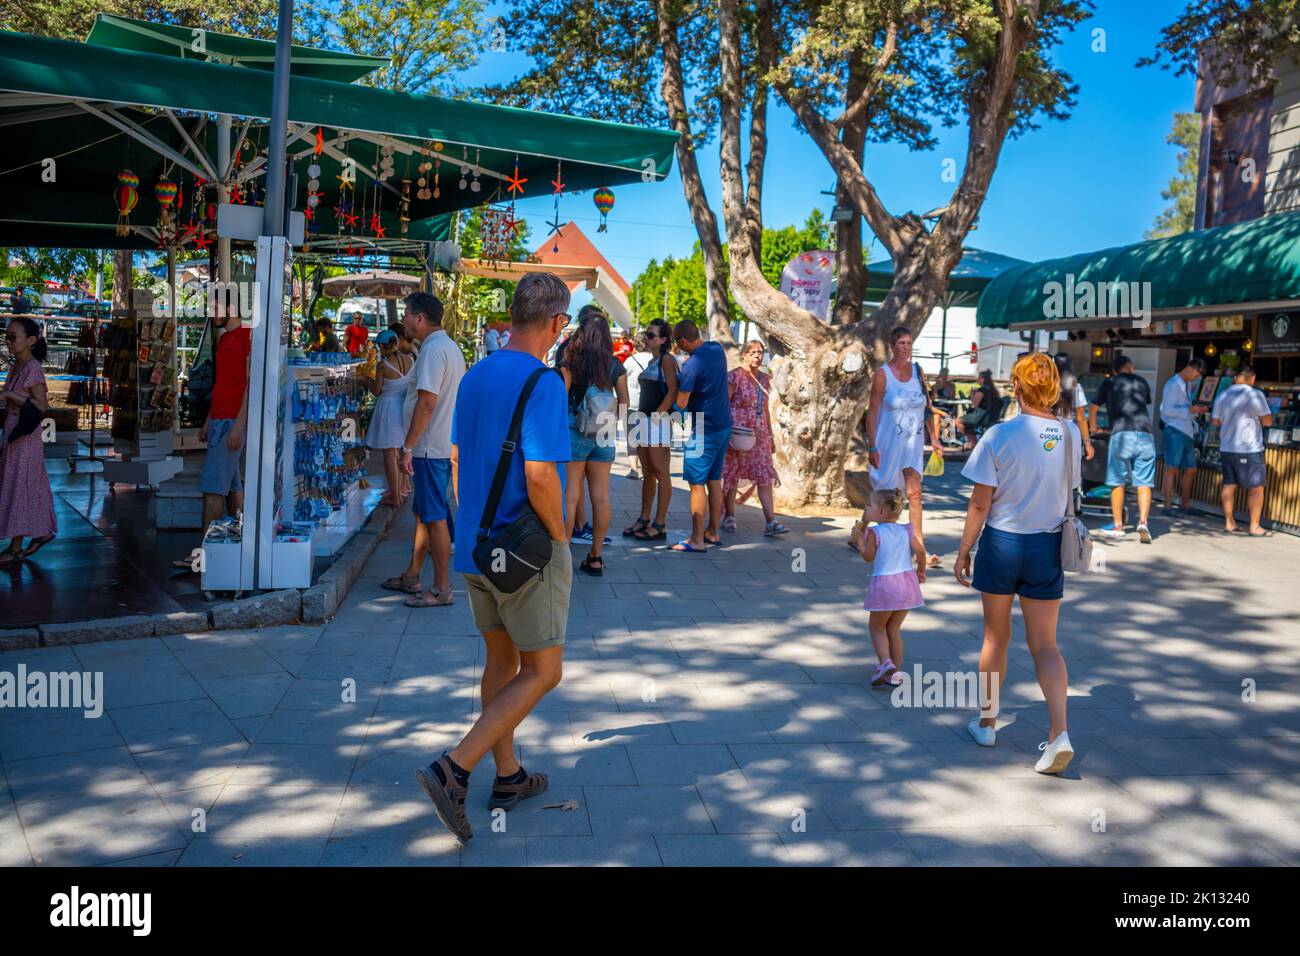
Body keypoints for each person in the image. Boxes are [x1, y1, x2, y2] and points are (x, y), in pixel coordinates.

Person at [414, 271, 573, 847]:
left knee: (500, 664)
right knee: (544, 671)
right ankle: (454, 767)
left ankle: (508, 776)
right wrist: (560, 537)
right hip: (526, 551)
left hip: (477, 548)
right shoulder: (544, 383)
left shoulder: (476, 374)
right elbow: (540, 479)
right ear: (556, 323)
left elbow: (456, 457)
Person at [956, 352, 1078, 774]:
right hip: (1047, 547)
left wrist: (963, 550)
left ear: (1018, 387)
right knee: (1046, 644)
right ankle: (1058, 732)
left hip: (1002, 543)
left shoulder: (998, 435)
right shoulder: (1070, 435)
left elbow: (979, 503)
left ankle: (988, 721)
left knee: (995, 639)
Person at [382, 292, 465, 608]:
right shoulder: (446, 347)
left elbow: (428, 402)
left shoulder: (432, 351)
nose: (403, 320)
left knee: (435, 518)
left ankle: (443, 588)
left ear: (420, 318)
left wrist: (408, 446)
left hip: (429, 447)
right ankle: (412, 575)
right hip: (437, 444)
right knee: (423, 514)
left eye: (406, 314)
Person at [176, 305, 250, 570]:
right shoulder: (223, 338)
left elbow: (249, 385)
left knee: (212, 488)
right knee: (232, 487)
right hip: (220, 418)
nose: (212, 312)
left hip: (232, 420)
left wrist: (239, 425)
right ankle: (234, 545)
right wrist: (209, 418)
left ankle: (204, 554)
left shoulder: (247, 337)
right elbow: (223, 383)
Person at [559, 310, 629, 575]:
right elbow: (624, 402)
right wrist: (611, 426)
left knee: (571, 494)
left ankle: (563, 556)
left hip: (574, 430)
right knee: (601, 496)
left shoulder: (570, 359)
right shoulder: (614, 365)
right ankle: (596, 556)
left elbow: (561, 395)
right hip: (603, 434)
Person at [866, 327, 942, 567]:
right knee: (885, 496)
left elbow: (927, 408)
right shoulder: (883, 375)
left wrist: (935, 439)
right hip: (889, 444)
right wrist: (871, 446)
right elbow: (873, 411)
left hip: (913, 444)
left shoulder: (918, 372)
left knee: (915, 495)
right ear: (892, 345)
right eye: (901, 342)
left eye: (909, 343)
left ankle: (919, 549)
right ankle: (863, 532)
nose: (906, 347)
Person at [850, 488, 925, 688]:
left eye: (869, 505)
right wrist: (921, 572)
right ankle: (895, 672)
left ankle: (885, 663)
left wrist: (858, 538)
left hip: (885, 585)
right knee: (894, 628)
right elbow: (920, 551)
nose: (866, 508)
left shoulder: (875, 532)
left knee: (876, 627)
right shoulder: (906, 530)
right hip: (907, 584)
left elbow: (868, 556)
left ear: (881, 512)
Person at [670, 320, 731, 552]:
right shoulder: (717, 349)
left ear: (683, 341)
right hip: (724, 424)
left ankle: (696, 540)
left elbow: (681, 402)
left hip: (704, 428)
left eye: (677, 342)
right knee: (714, 481)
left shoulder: (692, 364)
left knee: (696, 484)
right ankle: (712, 533)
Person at [0, 317, 56, 563]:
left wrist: (11, 395)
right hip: (15, 432)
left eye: (13, 336)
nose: (9, 341)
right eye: (7, 336)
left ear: (31, 341)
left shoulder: (32, 368)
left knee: (20, 485)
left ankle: (15, 545)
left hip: (25, 435)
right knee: (28, 484)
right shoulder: (17, 366)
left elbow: (41, 406)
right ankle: (41, 532)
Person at [721, 339, 788, 537]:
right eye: (753, 353)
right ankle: (729, 517)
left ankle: (771, 521)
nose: (757, 356)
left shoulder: (765, 379)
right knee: (732, 474)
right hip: (738, 433)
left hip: (758, 435)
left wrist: (770, 435)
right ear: (744, 354)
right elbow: (725, 403)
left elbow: (766, 409)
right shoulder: (735, 377)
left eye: (760, 352)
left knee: (764, 475)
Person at [1089, 355, 1155, 542]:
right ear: (1131, 368)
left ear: (1116, 370)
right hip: (1145, 435)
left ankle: (1118, 525)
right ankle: (1143, 522)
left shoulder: (1109, 382)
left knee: (1117, 480)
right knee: (1144, 482)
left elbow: (1094, 406)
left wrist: (1093, 427)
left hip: (1122, 434)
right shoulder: (1141, 382)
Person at [624, 319, 678, 542]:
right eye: (646, 334)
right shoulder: (653, 360)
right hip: (644, 419)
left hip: (657, 421)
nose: (646, 338)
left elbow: (673, 390)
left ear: (663, 340)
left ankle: (660, 522)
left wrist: (658, 415)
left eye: (651, 335)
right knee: (647, 471)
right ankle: (644, 518)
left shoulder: (667, 360)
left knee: (660, 471)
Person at [1213, 363, 1274, 536]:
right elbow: (1268, 421)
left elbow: (1215, 422)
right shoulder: (1255, 395)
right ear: (1253, 378)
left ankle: (1229, 522)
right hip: (1249, 448)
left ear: (1235, 378)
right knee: (1256, 487)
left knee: (1229, 484)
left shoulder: (1223, 395)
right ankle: (1254, 526)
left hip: (1227, 447)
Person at [361, 329, 414, 508]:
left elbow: (376, 391)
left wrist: (366, 381)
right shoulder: (410, 359)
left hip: (388, 409)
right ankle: (399, 491)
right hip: (403, 407)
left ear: (383, 346)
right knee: (399, 452)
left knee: (389, 455)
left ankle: (395, 497)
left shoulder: (383, 366)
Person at [1159, 357, 1208, 516]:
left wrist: (1193, 410)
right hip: (1174, 430)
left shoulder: (1186, 385)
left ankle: (1184, 504)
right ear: (1191, 368)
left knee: (1190, 468)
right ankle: (1167, 506)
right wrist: (1190, 410)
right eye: (1198, 374)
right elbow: (1167, 410)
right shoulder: (1173, 384)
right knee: (1171, 468)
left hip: (1186, 430)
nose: (1197, 377)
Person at [621, 331, 653, 480]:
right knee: (647, 438)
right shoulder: (656, 359)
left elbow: (621, 381)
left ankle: (634, 469)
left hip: (632, 404)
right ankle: (648, 467)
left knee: (632, 437)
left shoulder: (630, 361)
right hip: (650, 404)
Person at [1052, 353, 1094, 461]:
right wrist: (1087, 443)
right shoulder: (1075, 387)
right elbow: (1081, 418)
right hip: (1068, 433)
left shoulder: (1047, 385)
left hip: (1046, 430)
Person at [956, 370, 1000, 451]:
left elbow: (975, 404)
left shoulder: (982, 390)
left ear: (983, 379)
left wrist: (973, 394)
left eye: (979, 378)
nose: (977, 379)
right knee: (967, 421)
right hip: (990, 416)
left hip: (980, 416)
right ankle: (972, 443)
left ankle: (970, 442)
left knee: (958, 420)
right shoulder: (993, 390)